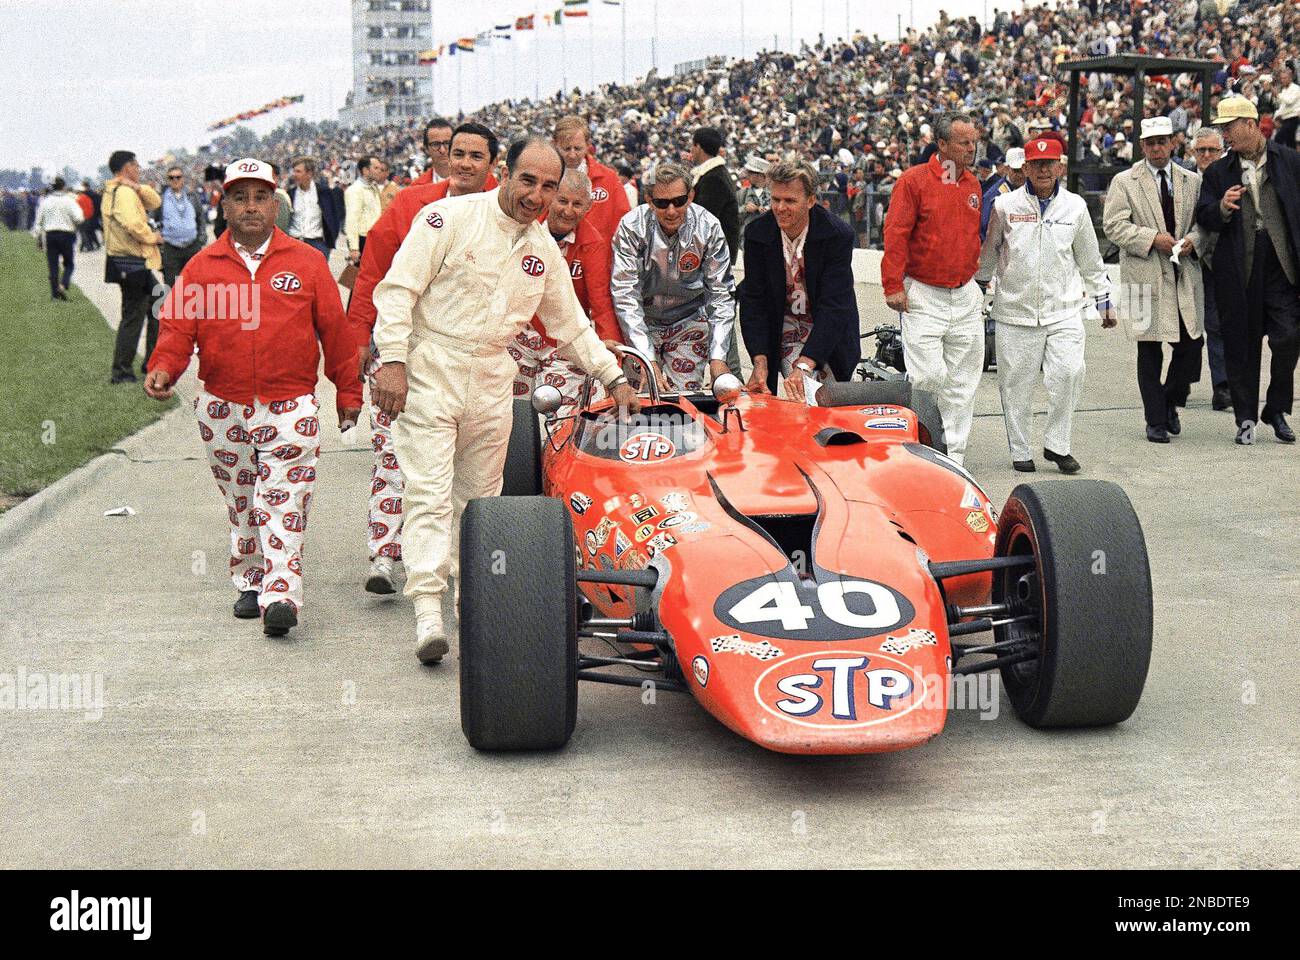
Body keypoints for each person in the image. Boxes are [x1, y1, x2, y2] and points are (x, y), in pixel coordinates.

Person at [369, 138, 640, 662]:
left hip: (494, 380)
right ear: (504, 174)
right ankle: (428, 612)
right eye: (527, 181)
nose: (535, 195)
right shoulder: (445, 218)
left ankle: (473, 609)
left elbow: (572, 327)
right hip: (431, 369)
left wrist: (613, 377)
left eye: (547, 186)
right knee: (428, 492)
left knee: (479, 503)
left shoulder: (542, 251)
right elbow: (397, 290)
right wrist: (394, 361)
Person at [143, 158, 363, 637]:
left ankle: (281, 592)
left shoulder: (306, 263)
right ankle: (250, 576)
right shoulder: (204, 267)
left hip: (291, 405)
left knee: (283, 497)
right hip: (223, 405)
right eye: (239, 197)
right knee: (242, 498)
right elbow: (178, 327)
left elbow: (337, 333)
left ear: (276, 204)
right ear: (223, 206)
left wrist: (348, 390)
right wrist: (164, 366)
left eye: (260, 197)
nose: (250, 207)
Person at [347, 121, 499, 597]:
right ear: (442, 156)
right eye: (456, 153)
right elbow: (372, 276)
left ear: (492, 163)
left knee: (468, 476)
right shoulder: (412, 204)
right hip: (406, 354)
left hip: (478, 360)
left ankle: (464, 569)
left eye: (476, 156)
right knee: (396, 459)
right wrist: (357, 342)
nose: (464, 163)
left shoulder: (508, 206)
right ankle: (387, 555)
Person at [978, 137, 1115, 474]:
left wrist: (1103, 299)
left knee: (1069, 373)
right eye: (1036, 164)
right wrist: (977, 289)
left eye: (1049, 163)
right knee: (1015, 386)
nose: (1042, 170)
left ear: (1060, 167)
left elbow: (1090, 258)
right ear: (1024, 167)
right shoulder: (1004, 206)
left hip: (1064, 310)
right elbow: (989, 252)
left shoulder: (1076, 207)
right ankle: (1021, 449)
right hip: (1014, 313)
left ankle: (1057, 445)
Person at [881, 113, 985, 466]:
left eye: (974, 141)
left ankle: (952, 456)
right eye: (964, 142)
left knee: (962, 381)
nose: (972, 148)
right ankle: (922, 444)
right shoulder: (913, 181)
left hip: (965, 293)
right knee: (928, 376)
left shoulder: (973, 184)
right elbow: (895, 232)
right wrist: (892, 284)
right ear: (942, 145)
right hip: (923, 292)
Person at [1196, 96, 1300, 445]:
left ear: (1251, 124)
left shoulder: (1289, 161)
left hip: (1281, 266)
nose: (1226, 136)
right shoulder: (1217, 172)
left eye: (1230, 127)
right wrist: (1222, 208)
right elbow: (1204, 215)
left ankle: (1276, 407)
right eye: (1223, 129)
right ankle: (1245, 419)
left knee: (1288, 336)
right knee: (1241, 347)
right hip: (1239, 269)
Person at [1102, 116, 1205, 444]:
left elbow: (1204, 224)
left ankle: (1170, 401)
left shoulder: (1192, 180)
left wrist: (1194, 241)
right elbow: (1114, 226)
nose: (1157, 147)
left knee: (1191, 346)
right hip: (1144, 275)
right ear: (1142, 145)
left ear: (1173, 142)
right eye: (1151, 142)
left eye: (1163, 141)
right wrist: (1151, 238)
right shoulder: (1124, 181)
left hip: (1183, 273)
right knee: (1150, 350)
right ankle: (1155, 421)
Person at [738, 160, 860, 403]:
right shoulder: (756, 234)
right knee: (802, 398)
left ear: (811, 200)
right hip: (785, 326)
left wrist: (806, 362)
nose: (780, 208)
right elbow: (754, 301)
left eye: (790, 201)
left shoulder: (837, 235)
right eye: (775, 200)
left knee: (830, 405)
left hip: (826, 325)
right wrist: (759, 360)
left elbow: (835, 305)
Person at [610, 161, 736, 393]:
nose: (671, 211)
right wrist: (646, 358)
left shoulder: (708, 227)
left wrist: (718, 357)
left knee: (684, 402)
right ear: (649, 199)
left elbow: (721, 294)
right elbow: (626, 295)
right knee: (641, 404)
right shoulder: (630, 227)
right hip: (642, 323)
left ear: (690, 196)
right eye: (661, 203)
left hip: (688, 323)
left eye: (679, 201)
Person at [510, 167, 622, 409]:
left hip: (563, 336)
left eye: (577, 204)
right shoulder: (524, 229)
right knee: (511, 415)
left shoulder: (593, 243)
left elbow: (600, 301)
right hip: (519, 334)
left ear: (589, 207)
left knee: (564, 415)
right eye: (562, 201)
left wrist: (608, 340)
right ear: (550, 199)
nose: (568, 211)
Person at [102, 150, 163, 384]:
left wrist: (138, 187)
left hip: (130, 261)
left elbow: (155, 201)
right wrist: (152, 237)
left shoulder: (122, 189)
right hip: (131, 260)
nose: (139, 169)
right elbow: (132, 223)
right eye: (136, 165)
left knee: (159, 306)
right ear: (127, 167)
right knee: (134, 315)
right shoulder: (124, 193)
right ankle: (121, 371)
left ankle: (151, 361)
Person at [1191, 127, 1232, 412]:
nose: (1206, 155)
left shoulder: (1230, 178)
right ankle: (1183, 380)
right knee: (1188, 331)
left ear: (1221, 151)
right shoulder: (1185, 180)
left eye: (1212, 150)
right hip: (1188, 261)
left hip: (1222, 262)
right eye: (1201, 150)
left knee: (1217, 325)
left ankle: (1223, 386)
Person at [552, 114, 631, 247]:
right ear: (555, 144)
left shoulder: (608, 179)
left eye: (577, 148)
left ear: (588, 145)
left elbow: (625, 225)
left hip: (596, 258)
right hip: (552, 258)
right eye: (566, 148)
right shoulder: (544, 177)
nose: (572, 155)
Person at [32, 177, 84, 301]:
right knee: (69, 263)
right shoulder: (69, 201)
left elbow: (38, 221)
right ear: (63, 187)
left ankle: (54, 293)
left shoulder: (46, 201)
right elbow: (79, 218)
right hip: (66, 234)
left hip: (51, 235)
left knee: (53, 265)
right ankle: (63, 284)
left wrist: (39, 239)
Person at [159, 166, 207, 290]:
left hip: (192, 246)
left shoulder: (192, 196)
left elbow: (200, 217)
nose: (175, 180)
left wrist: (201, 238)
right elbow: (153, 220)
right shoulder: (161, 199)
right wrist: (160, 244)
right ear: (168, 180)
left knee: (196, 285)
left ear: (183, 179)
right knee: (173, 286)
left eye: (178, 177)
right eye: (171, 178)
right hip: (171, 249)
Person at [287, 156, 342, 259]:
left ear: (309, 173)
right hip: (294, 242)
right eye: (294, 171)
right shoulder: (290, 194)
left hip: (318, 244)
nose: (294, 175)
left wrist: (330, 242)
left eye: (298, 171)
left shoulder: (324, 193)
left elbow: (334, 217)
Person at [980, 146, 1026, 240]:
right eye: (1017, 171)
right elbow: (985, 231)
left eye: (1024, 170)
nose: (1021, 175)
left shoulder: (1032, 189)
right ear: (1006, 168)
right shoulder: (994, 196)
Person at [411, 118, 453, 185]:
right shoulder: (416, 187)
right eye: (435, 144)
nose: (442, 150)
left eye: (447, 143)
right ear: (426, 149)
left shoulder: (473, 183)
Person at [738, 155, 771, 238]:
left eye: (750, 172)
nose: (747, 175)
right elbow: (733, 216)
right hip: (748, 238)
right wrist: (745, 209)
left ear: (760, 175)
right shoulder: (742, 193)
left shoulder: (774, 193)